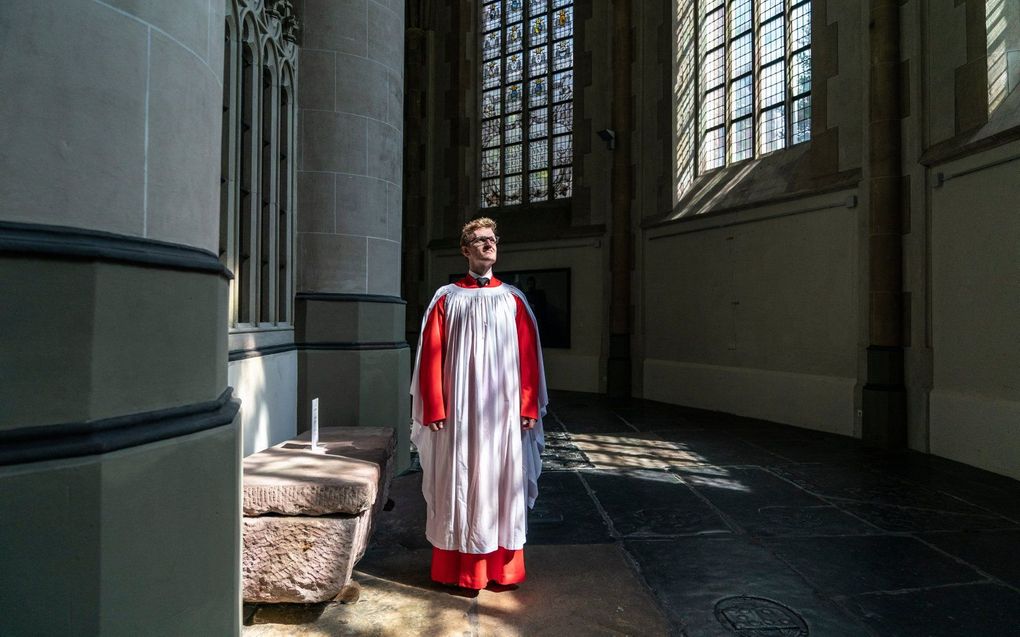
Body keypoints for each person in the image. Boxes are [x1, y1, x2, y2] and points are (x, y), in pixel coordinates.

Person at [410, 217, 548, 590]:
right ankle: (458, 569)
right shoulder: (446, 298)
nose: (489, 244)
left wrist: (528, 406)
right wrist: (434, 407)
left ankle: (502, 569)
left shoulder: (513, 299)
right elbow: (431, 356)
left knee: (501, 479)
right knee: (459, 478)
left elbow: (528, 357)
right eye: (480, 239)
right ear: (465, 250)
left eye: (493, 239)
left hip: (503, 412)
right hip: (458, 413)